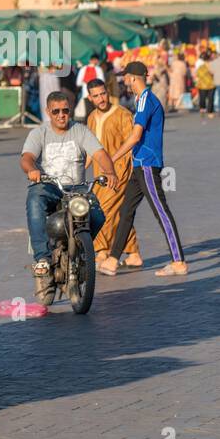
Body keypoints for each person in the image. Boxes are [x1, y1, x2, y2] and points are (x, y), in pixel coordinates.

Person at [20, 91, 118, 298]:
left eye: (65, 110)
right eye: (56, 111)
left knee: (98, 215)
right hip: (49, 185)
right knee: (34, 201)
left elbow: (99, 153)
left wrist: (109, 172)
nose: (61, 115)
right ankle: (43, 259)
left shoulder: (80, 130)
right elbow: (27, 157)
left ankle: (81, 251)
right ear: (48, 112)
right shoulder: (39, 133)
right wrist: (32, 170)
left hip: (77, 188)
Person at [99, 61, 188, 278]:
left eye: (125, 77)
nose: (123, 80)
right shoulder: (141, 99)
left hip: (147, 163)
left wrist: (112, 157)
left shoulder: (146, 99)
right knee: (126, 211)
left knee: (161, 211)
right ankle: (112, 260)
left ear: (133, 77)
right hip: (139, 165)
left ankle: (178, 262)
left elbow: (136, 136)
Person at [84, 79, 142, 268]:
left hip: (119, 173)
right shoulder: (91, 117)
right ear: (90, 98)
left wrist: (120, 173)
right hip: (99, 175)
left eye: (103, 93)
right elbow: (91, 149)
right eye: (96, 95)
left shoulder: (122, 115)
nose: (101, 98)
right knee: (115, 213)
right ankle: (133, 253)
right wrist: (80, 168)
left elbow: (130, 145)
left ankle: (102, 251)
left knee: (101, 211)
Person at [194, 48, 217, 119]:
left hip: (209, 85)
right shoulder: (202, 66)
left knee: (209, 99)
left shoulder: (210, 66)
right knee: (205, 98)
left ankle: (208, 111)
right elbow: (198, 74)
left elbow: (215, 74)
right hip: (205, 85)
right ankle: (204, 110)